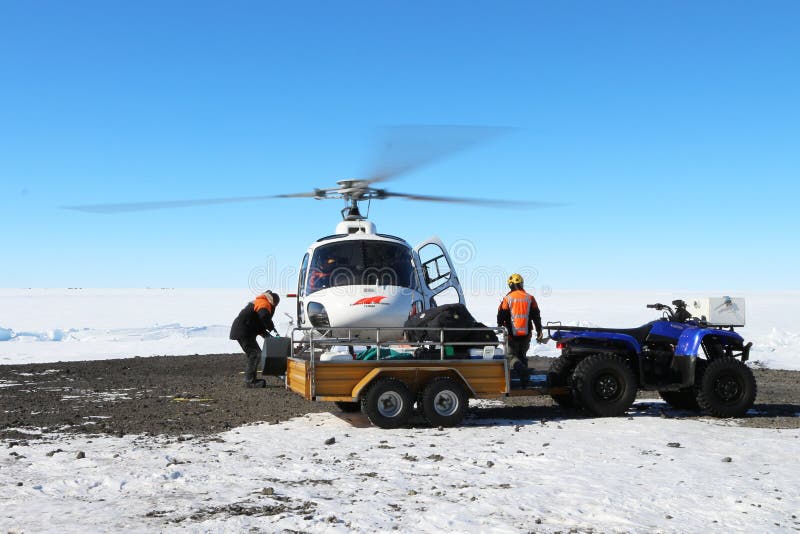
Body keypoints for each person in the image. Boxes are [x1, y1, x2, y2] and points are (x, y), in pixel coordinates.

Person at [497, 273, 543, 387]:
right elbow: (536, 316)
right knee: (522, 356)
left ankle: (521, 372)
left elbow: (501, 316)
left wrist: (499, 325)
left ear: (510, 285)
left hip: (512, 335)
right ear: (521, 284)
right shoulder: (530, 298)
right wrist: (539, 331)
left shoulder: (507, 299)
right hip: (526, 335)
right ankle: (525, 381)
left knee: (510, 356)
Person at [229, 291, 280, 388]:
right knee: (255, 354)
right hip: (243, 331)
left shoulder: (260, 301)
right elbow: (264, 316)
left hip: (245, 330)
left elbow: (257, 322)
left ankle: (251, 380)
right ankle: (250, 382)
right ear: (274, 302)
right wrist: (270, 327)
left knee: (253, 354)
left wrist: (266, 334)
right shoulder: (264, 303)